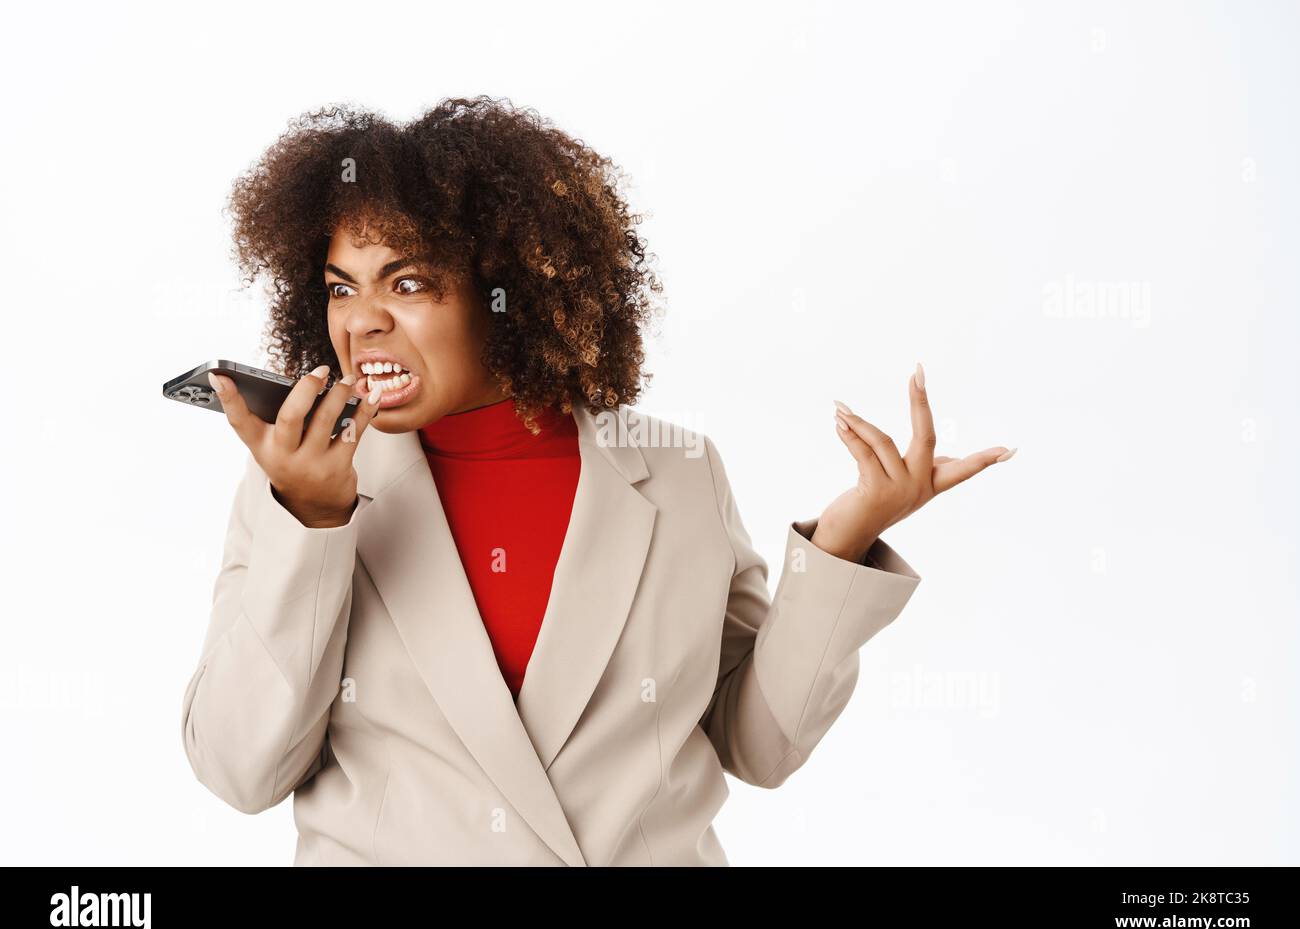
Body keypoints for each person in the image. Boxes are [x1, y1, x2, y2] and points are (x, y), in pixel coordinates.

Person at [180, 96, 1015, 865]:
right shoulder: (297, 490)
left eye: (409, 282)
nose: (361, 321)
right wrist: (313, 523)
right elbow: (239, 769)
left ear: (514, 291)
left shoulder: (679, 474)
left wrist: (845, 539)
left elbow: (759, 743)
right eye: (339, 288)